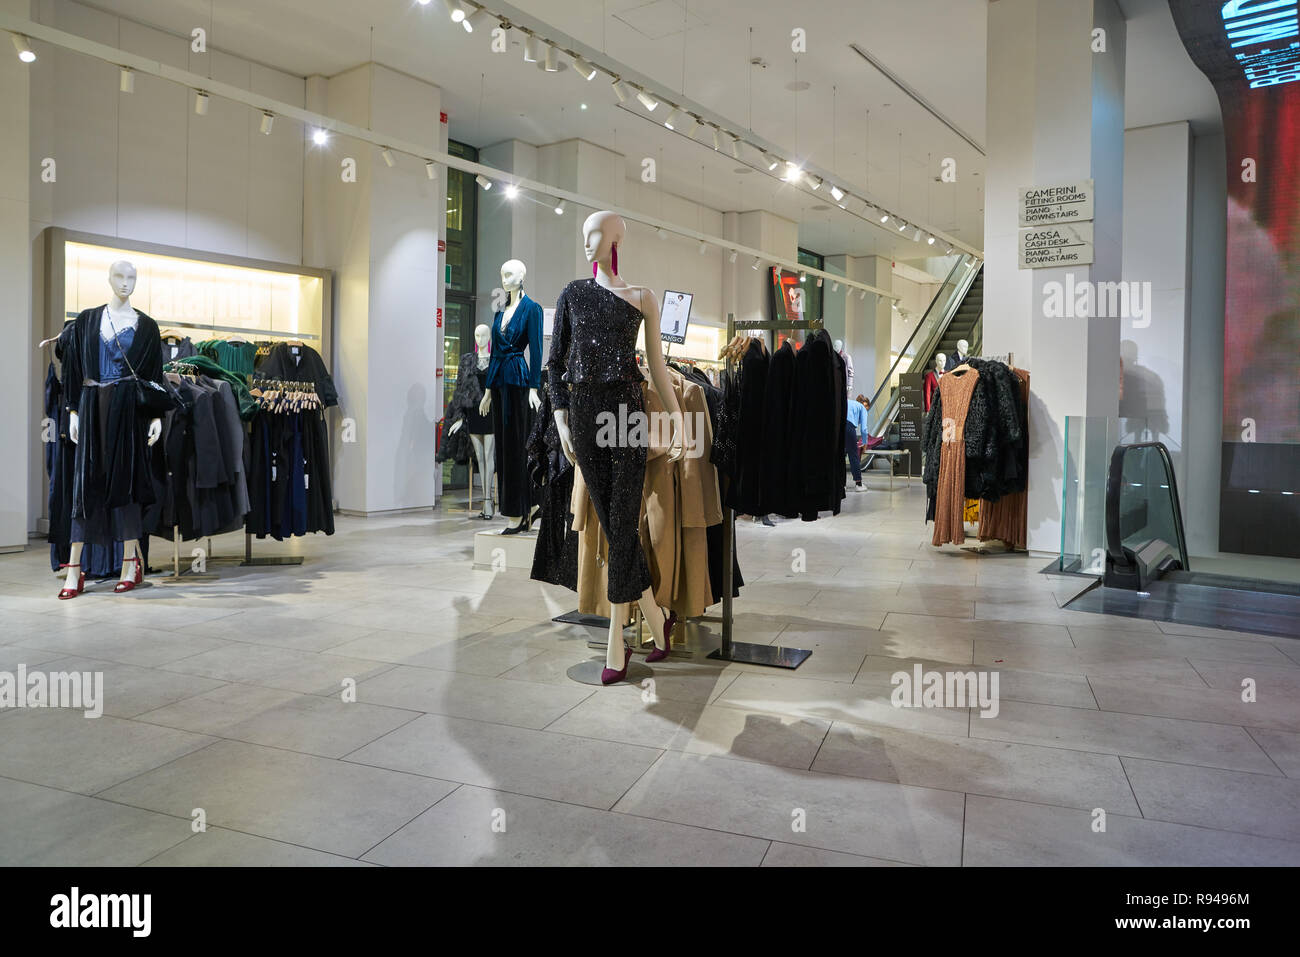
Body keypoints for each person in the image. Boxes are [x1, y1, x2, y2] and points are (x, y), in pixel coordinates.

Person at [846, 393, 870, 490]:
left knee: (838, 457)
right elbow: (864, 429)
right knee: (853, 456)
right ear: (867, 406)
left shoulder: (848, 402)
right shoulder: (862, 408)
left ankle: (841, 485)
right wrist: (864, 443)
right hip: (848, 427)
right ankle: (859, 484)